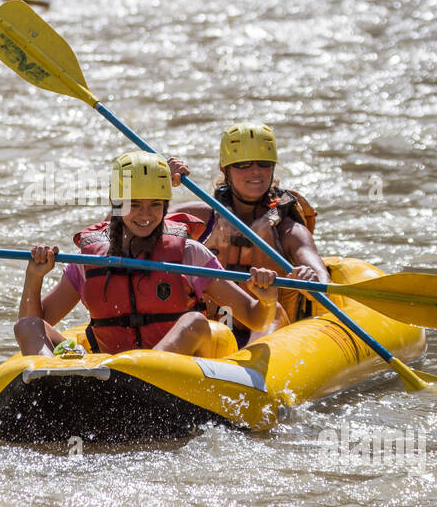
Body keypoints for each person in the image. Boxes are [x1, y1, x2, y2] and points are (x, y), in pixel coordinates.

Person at [14, 151, 280, 358]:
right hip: (112, 367)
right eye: (134, 205)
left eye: (155, 205)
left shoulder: (189, 255)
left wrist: (266, 300)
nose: (145, 215)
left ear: (166, 207)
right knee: (26, 326)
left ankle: (140, 377)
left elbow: (253, 316)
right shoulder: (90, 261)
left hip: (174, 369)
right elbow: (37, 322)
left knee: (194, 322)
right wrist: (34, 276)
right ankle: (46, 384)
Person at [170, 122, 328, 331]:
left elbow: (322, 280)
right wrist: (158, 180)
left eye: (264, 164)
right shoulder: (202, 217)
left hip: (272, 332)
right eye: (243, 164)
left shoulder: (288, 231)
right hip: (214, 331)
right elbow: (126, 223)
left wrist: (311, 280)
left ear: (272, 168)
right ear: (225, 170)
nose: (256, 172)